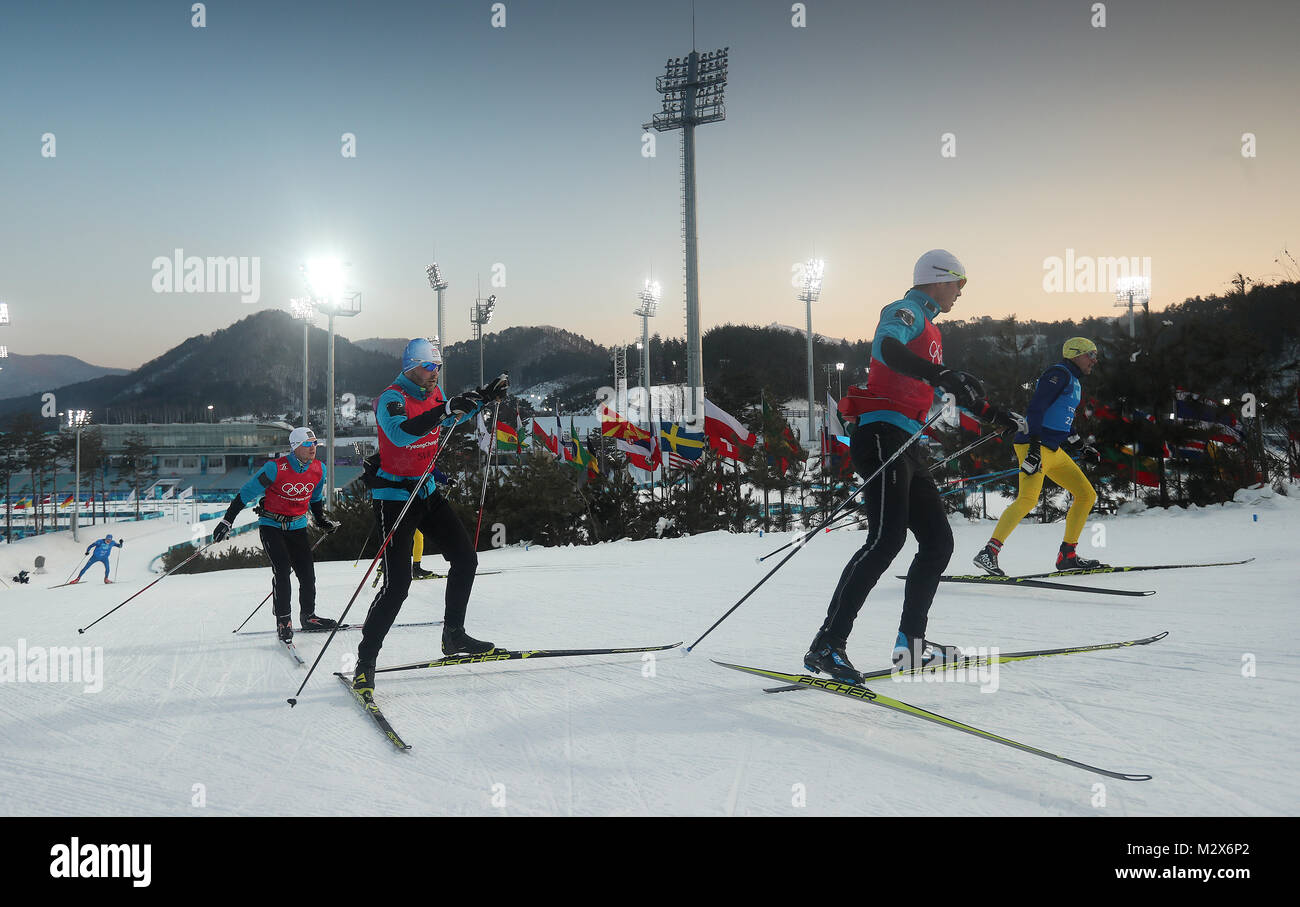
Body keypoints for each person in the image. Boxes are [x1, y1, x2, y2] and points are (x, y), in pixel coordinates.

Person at [808, 250, 1026, 681]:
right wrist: (939, 374)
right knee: (885, 541)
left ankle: (912, 645)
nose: (960, 292)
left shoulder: (933, 330)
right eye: (957, 283)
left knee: (937, 542)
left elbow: (944, 384)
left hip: (908, 442)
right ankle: (827, 644)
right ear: (937, 279)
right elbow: (886, 349)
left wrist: (998, 416)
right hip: (881, 434)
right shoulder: (905, 310)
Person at [352, 338, 508, 699]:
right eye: (428, 367)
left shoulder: (435, 393)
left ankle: (453, 635)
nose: (434, 373)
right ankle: (365, 662)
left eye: (438, 367)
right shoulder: (391, 398)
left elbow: (457, 411)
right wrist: (444, 410)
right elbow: (400, 434)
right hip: (393, 497)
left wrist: (484, 396)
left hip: (425, 490)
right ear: (410, 366)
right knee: (398, 585)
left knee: (466, 559)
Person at [973, 338, 1103, 575]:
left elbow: (1063, 419)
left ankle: (1068, 555)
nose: (1094, 360)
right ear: (1075, 355)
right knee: (1027, 500)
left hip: (1052, 450)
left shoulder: (1074, 382)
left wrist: (1080, 447)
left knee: (1086, 495)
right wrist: (1033, 446)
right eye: (1090, 354)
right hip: (1036, 446)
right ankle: (988, 552)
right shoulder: (1058, 373)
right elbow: (1036, 407)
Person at [212, 426, 341, 642]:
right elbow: (245, 493)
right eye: (308, 445)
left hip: (297, 526)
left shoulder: (319, 469)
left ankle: (308, 617)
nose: (313, 449)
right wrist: (227, 520)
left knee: (307, 574)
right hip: (272, 526)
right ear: (295, 447)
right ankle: (284, 621)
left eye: (315, 444)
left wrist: (321, 521)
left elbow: (315, 497)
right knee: (282, 570)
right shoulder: (275, 469)